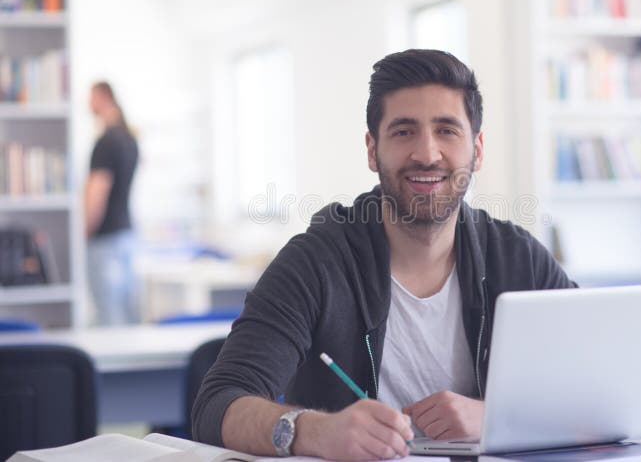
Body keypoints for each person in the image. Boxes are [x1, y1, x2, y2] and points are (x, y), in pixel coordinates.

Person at [192, 50, 576, 460]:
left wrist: (496, 417)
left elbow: (599, 385)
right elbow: (216, 405)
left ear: (477, 149)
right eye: (404, 132)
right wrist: (312, 431)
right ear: (372, 149)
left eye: (447, 130)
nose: (427, 154)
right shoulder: (316, 261)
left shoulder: (519, 258)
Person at [84, 81, 140, 326]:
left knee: (108, 319)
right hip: (126, 236)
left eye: (90, 97)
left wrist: (84, 231)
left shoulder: (106, 142)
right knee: (126, 314)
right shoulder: (130, 139)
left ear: (104, 97)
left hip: (105, 241)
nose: (87, 104)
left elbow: (97, 193)